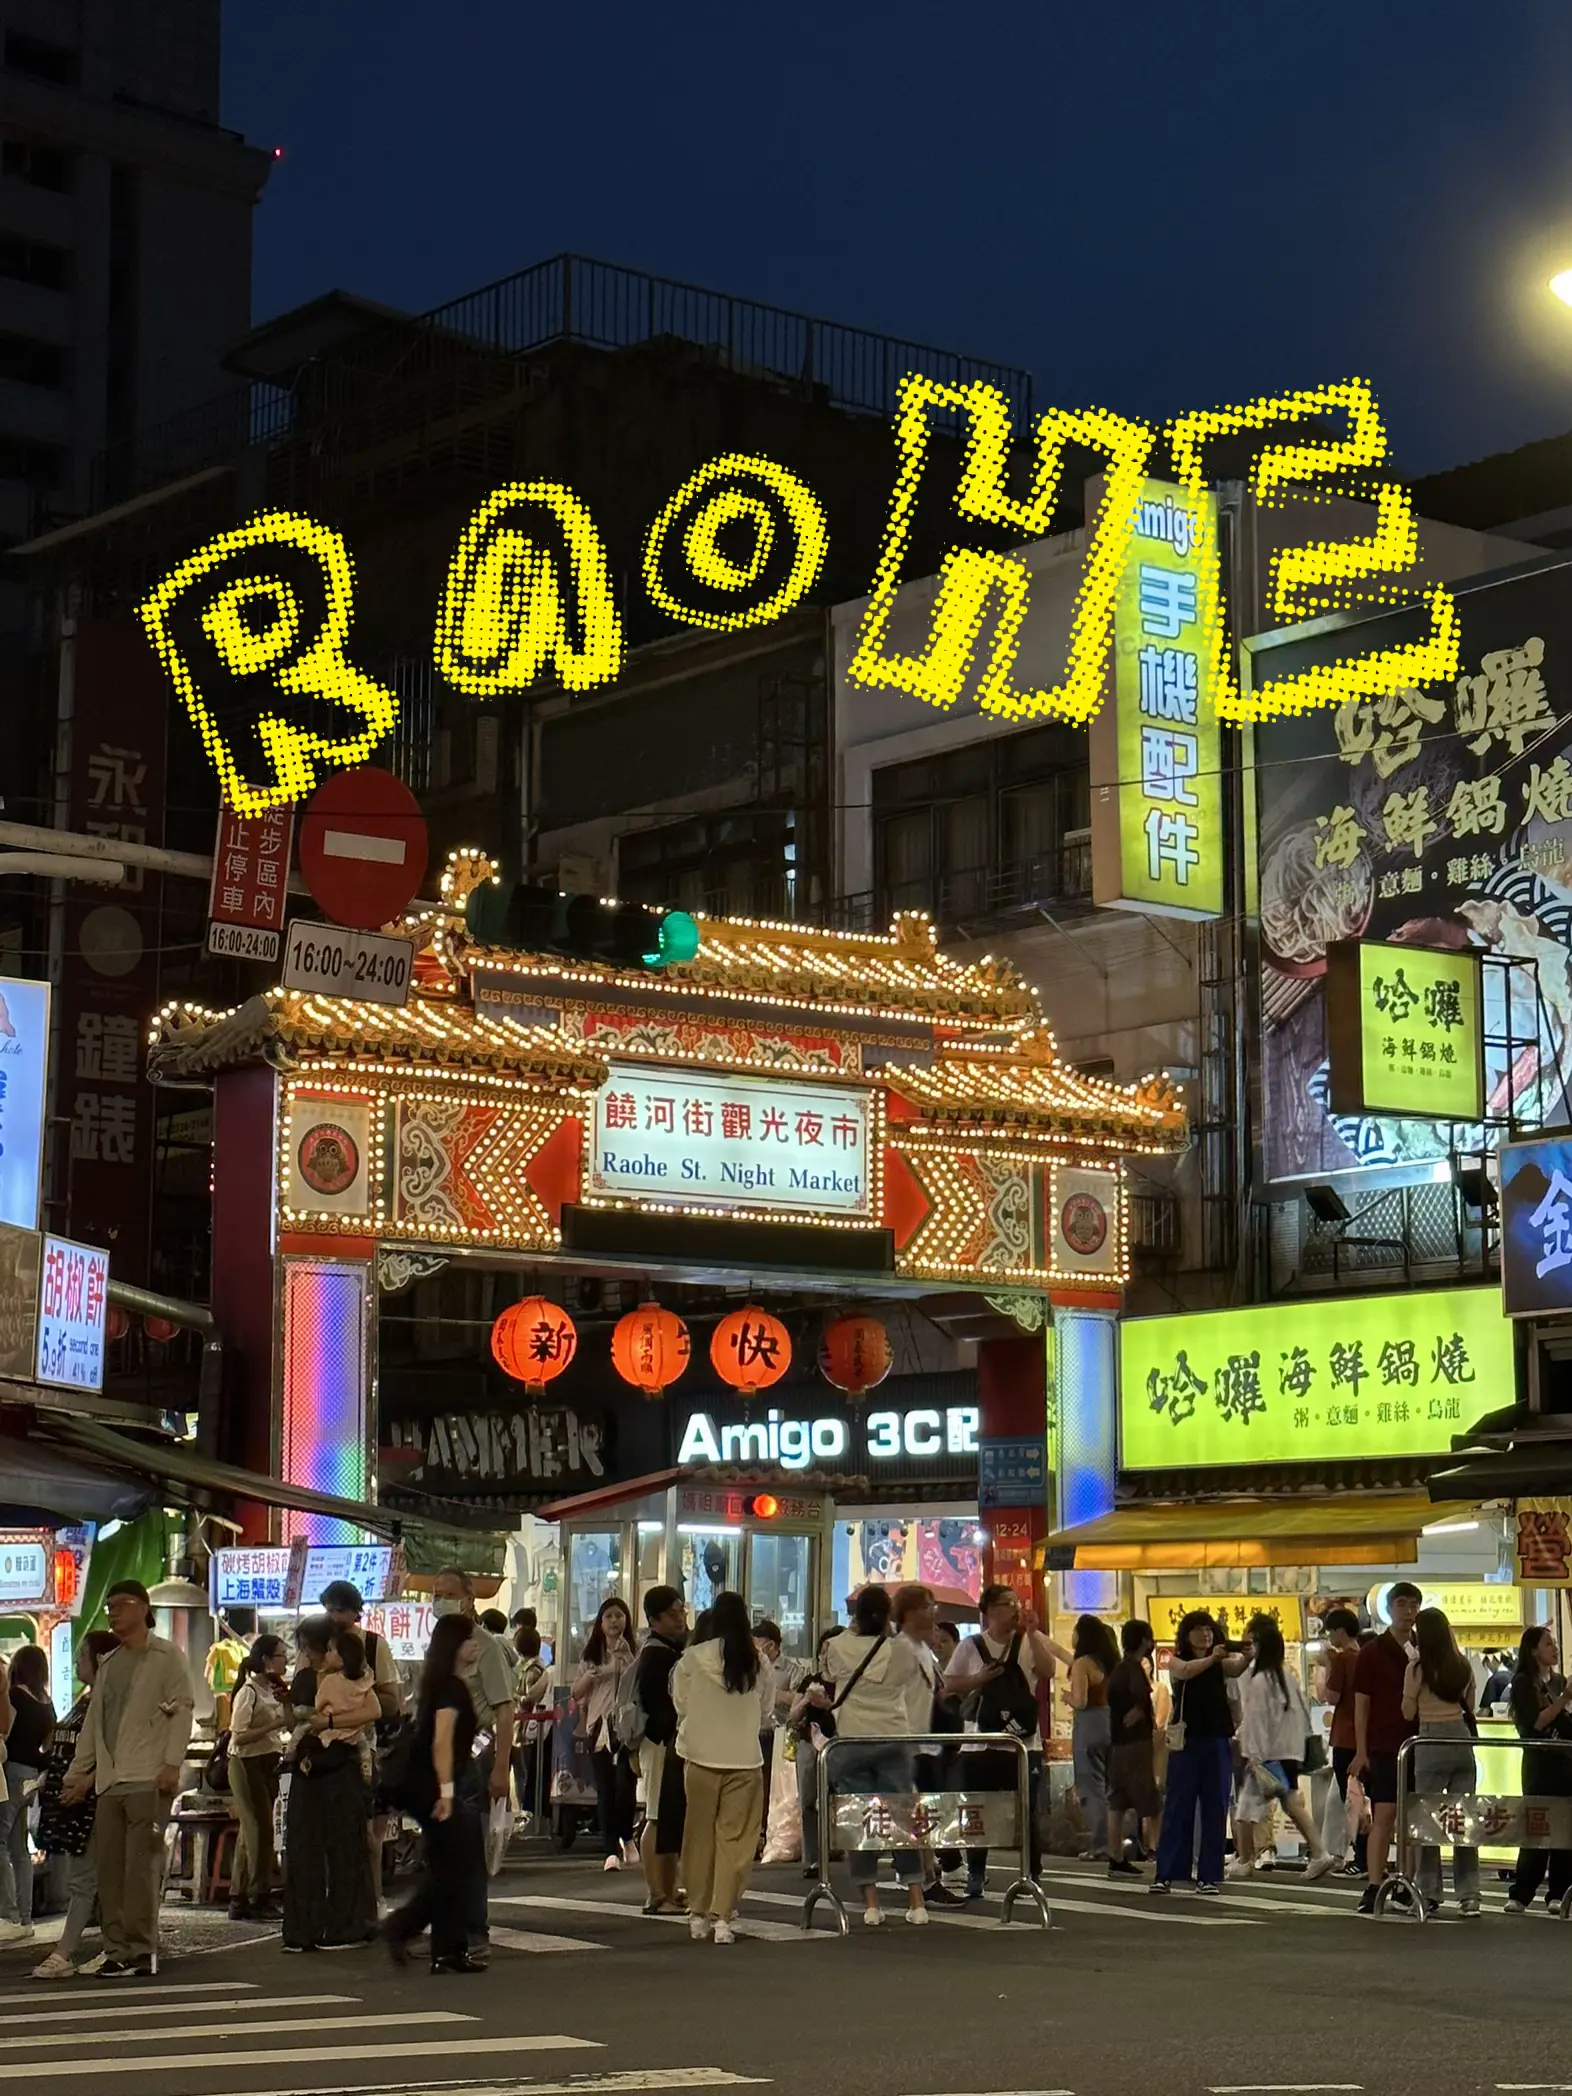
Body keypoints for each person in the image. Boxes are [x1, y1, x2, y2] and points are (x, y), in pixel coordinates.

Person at [60, 1579, 195, 1977]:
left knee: (139, 1869)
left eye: (120, 1605)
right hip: (110, 1782)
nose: (113, 1613)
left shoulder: (166, 1656)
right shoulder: (110, 1663)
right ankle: (116, 1948)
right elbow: (93, 1727)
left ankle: (140, 1950)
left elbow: (182, 1710)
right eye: (110, 1607)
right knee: (110, 1872)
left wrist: (172, 1763)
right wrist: (78, 1774)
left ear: (142, 1608)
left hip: (147, 1779)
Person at [384, 1613, 487, 1973]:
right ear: (455, 1645)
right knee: (454, 1868)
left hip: (431, 1784)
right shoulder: (450, 1687)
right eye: (470, 1639)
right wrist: (445, 1792)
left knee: (450, 1866)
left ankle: (445, 1949)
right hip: (433, 1786)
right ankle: (408, 1931)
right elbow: (442, 1742)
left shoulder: (441, 1683)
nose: (476, 1645)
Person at [943, 1584, 1060, 1898]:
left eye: (1017, 1602)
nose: (1016, 1608)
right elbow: (949, 1684)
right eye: (1009, 1603)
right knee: (977, 1810)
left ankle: (1031, 1873)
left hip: (1023, 1745)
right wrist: (978, 1679)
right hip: (978, 1744)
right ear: (991, 1611)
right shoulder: (971, 1646)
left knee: (1025, 1810)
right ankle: (976, 1872)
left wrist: (1033, 1633)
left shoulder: (1029, 1640)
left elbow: (1048, 1670)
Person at [672, 1590, 774, 1944]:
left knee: (698, 1836)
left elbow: (680, 1705)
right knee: (735, 1842)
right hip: (745, 1760)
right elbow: (766, 1711)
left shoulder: (691, 1658)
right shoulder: (758, 1662)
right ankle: (722, 1918)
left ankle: (697, 1913)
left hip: (699, 1757)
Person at [828, 1584, 932, 1925]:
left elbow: (829, 1674)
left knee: (861, 1821)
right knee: (903, 1816)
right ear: (888, 1616)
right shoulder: (902, 1650)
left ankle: (871, 1905)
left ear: (856, 1616)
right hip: (892, 1737)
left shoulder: (837, 1646)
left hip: (852, 1741)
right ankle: (916, 1900)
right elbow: (907, 1678)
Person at [280, 1616, 379, 1953]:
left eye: (307, 1647)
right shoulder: (305, 1677)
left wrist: (329, 1721)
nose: (304, 1653)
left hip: (340, 1764)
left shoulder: (350, 1677)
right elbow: (293, 1721)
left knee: (344, 1847)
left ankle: (346, 1927)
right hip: (309, 1766)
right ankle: (303, 1929)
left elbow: (373, 1710)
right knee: (303, 1846)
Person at [431, 1565, 517, 1943]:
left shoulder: (486, 1646)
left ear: (468, 1599)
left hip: (473, 1753)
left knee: (468, 1846)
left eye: (449, 1593)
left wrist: (501, 1767)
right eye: (437, 1593)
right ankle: (448, 1929)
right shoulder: (440, 1643)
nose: (440, 1600)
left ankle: (472, 1929)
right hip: (441, 1754)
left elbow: (504, 1709)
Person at [32, 1630, 120, 1977]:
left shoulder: (110, 1701)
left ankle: (67, 1952)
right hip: (74, 1802)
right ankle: (108, 1946)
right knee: (87, 1879)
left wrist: (85, 1782)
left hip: (93, 1801)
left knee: (85, 1880)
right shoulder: (90, 1698)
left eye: (82, 1655)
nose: (77, 1661)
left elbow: (113, 1752)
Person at [1231, 1615, 1336, 1882]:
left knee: (1245, 1809)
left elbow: (1256, 1722)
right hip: (1290, 1752)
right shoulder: (1285, 1676)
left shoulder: (1258, 1680)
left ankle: (1245, 1860)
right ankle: (1318, 1852)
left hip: (1267, 1756)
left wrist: (1252, 1755)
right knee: (1289, 1803)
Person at [1151, 1610, 1246, 1896]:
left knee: (1215, 1808)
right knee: (1177, 1807)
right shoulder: (1177, 1660)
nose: (1205, 1634)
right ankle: (1166, 1873)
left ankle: (1209, 1875)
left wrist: (1249, 1654)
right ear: (1186, 1634)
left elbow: (1237, 1669)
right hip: (1187, 1743)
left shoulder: (1221, 1664)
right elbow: (1185, 1671)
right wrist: (1213, 1658)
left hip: (1217, 1740)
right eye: (1198, 1629)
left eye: (1209, 1629)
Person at [320, 1579, 402, 1906]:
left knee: (369, 1837)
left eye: (339, 1610)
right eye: (328, 1609)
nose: (333, 1617)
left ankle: (372, 1900)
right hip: (329, 1753)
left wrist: (355, 1695)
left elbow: (392, 1701)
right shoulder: (320, 1644)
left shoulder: (373, 1645)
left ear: (356, 1612)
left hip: (370, 1750)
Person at [1349, 1579, 1421, 1916]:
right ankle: (1375, 1883)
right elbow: (1361, 1704)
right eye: (1402, 1604)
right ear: (1389, 1609)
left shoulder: (1425, 1647)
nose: (1408, 1611)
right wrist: (1361, 1749)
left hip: (1420, 1742)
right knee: (1385, 1815)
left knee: (1414, 1820)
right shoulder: (1373, 1651)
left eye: (1413, 1604)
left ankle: (1408, 1884)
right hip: (1383, 1743)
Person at [1402, 1606, 1479, 1916]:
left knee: (1428, 1822)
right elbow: (1470, 1704)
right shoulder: (1462, 1666)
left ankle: (1429, 1892)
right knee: (1465, 1820)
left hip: (1430, 1742)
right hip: (1461, 1741)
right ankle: (1469, 1896)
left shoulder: (1416, 1669)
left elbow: (1408, 1712)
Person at [1505, 1624, 1572, 1915]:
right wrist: (1564, 1699)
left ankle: (1559, 1892)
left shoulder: (1559, 1681)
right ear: (1533, 1650)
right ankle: (1522, 1892)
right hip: (1539, 1763)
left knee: (1564, 1828)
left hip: (1565, 1760)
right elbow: (1536, 1722)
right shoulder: (1523, 1682)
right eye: (1548, 1644)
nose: (1554, 1649)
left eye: (1554, 1644)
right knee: (1537, 1825)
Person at [631, 1584, 688, 1914]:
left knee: (668, 1817)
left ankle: (669, 1889)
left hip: (666, 1743)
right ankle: (656, 1894)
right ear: (654, 1620)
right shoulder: (656, 1654)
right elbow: (656, 1707)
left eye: (681, 1610)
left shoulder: (668, 1649)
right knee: (655, 1816)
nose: (679, 1618)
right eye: (671, 1613)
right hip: (658, 1744)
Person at [572, 1596, 639, 1871]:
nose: (614, 1621)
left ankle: (627, 1836)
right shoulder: (591, 1656)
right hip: (599, 1728)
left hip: (626, 1728)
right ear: (600, 1623)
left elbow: (639, 1680)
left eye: (619, 1616)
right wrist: (589, 1677)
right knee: (606, 1789)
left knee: (626, 1786)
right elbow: (576, 1692)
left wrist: (627, 1657)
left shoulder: (634, 1651)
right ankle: (611, 1849)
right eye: (609, 1616)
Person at [226, 1633, 291, 1921]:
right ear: (266, 1660)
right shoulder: (249, 1692)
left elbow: (289, 1722)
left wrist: (286, 1704)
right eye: (281, 1655)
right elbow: (239, 1737)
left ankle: (238, 1897)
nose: (285, 1660)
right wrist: (275, 1724)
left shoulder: (275, 1689)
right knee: (260, 1829)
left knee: (249, 1831)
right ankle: (258, 1895)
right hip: (245, 1762)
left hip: (268, 1761)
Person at [0, 1644, 55, 1941]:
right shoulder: (46, 1702)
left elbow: (4, 1732)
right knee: (19, 1848)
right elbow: (49, 1744)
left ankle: (8, 1916)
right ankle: (25, 1918)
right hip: (32, 1777)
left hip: (12, 1773)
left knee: (1, 1841)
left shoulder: (14, 1696)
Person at [1105, 1619, 1162, 1876]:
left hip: (1117, 1744)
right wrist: (1140, 1716)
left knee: (1117, 1801)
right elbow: (1140, 1705)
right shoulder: (1134, 1669)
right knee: (1151, 1800)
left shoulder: (1118, 1669)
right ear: (1144, 1641)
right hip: (1136, 1744)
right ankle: (1159, 1851)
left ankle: (1115, 1856)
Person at [786, 1628, 839, 1880]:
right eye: (823, 1651)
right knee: (808, 1801)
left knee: (840, 1800)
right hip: (809, 1745)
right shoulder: (810, 1681)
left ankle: (841, 1849)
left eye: (832, 1651)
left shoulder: (848, 1682)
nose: (826, 1656)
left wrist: (828, 1704)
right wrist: (808, 1700)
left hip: (839, 1744)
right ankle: (813, 1858)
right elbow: (792, 1716)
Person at [1319, 1607, 1367, 1876]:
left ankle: (1360, 1857)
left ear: (1340, 1631)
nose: (1329, 1637)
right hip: (1365, 1737)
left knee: (1349, 1801)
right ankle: (1366, 1856)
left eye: (1330, 1631)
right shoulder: (1366, 1657)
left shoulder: (1341, 1659)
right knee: (1365, 1798)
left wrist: (1328, 1665)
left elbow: (1331, 1696)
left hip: (1345, 1736)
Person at [1067, 1615, 1119, 1861]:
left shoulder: (1082, 1664)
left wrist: (1067, 1697)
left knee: (1091, 1786)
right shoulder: (1108, 1663)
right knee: (1107, 1787)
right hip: (1110, 1722)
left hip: (1089, 1725)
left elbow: (1081, 1701)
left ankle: (1101, 1845)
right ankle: (1114, 1842)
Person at [511, 1626, 550, 1817]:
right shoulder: (537, 1667)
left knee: (524, 1774)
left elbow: (527, 1700)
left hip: (526, 1729)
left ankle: (526, 1813)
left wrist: (512, 1696)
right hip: (524, 1729)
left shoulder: (531, 1671)